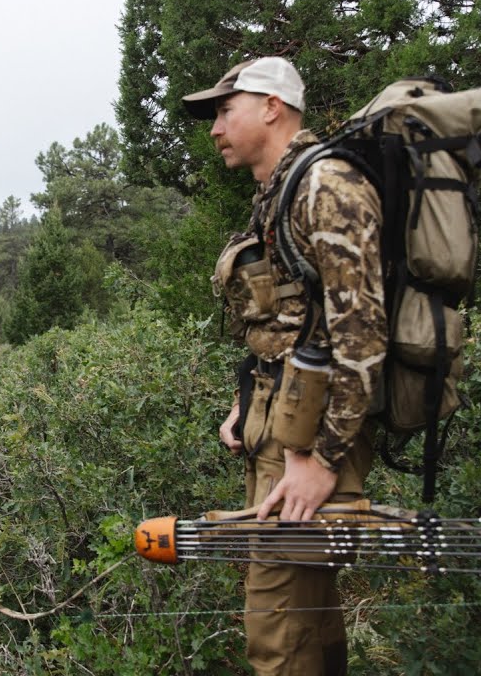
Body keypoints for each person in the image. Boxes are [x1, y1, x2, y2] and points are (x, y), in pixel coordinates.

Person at [182, 57, 387, 675]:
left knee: (277, 628)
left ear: (272, 107)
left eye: (225, 109)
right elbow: (292, 317)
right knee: (307, 617)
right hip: (281, 426)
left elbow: (363, 336)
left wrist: (321, 461)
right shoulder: (279, 190)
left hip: (313, 440)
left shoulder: (325, 185)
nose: (215, 127)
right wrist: (247, 401)